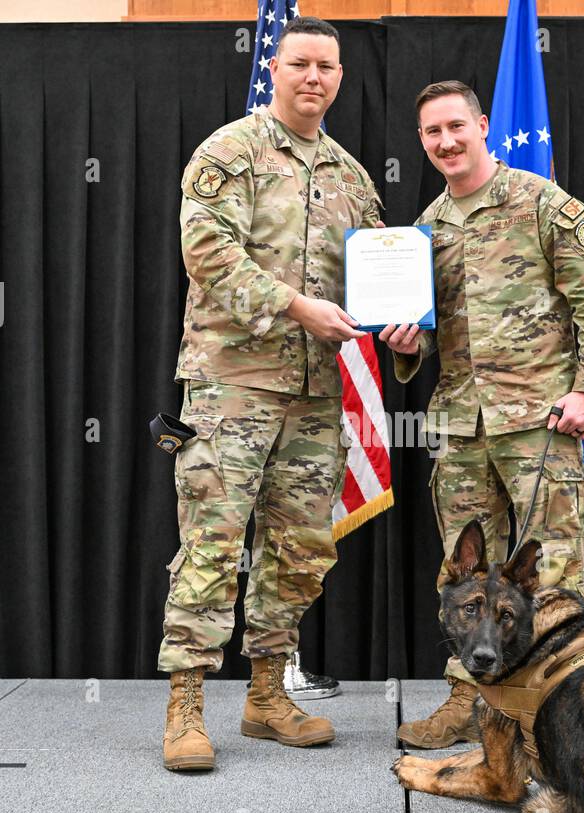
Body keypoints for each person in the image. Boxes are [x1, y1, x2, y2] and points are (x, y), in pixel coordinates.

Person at [161, 16, 383, 772]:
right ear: (274, 70)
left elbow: (376, 273)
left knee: (298, 550)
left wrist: (401, 327)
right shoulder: (229, 152)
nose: (313, 77)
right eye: (300, 64)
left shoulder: (353, 177)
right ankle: (186, 705)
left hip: (317, 394)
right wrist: (297, 307)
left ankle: (264, 696)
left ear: (340, 77)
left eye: (326, 65)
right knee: (214, 544)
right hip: (234, 384)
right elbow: (208, 253)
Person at [381, 80, 584, 749]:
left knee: (555, 575)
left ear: (482, 124)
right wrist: (410, 342)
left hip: (540, 420)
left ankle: (575, 715)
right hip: (462, 425)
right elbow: (433, 328)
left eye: (456, 126)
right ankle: (471, 705)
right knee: (462, 578)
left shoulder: (543, 203)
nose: (446, 141)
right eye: (432, 132)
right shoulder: (427, 227)